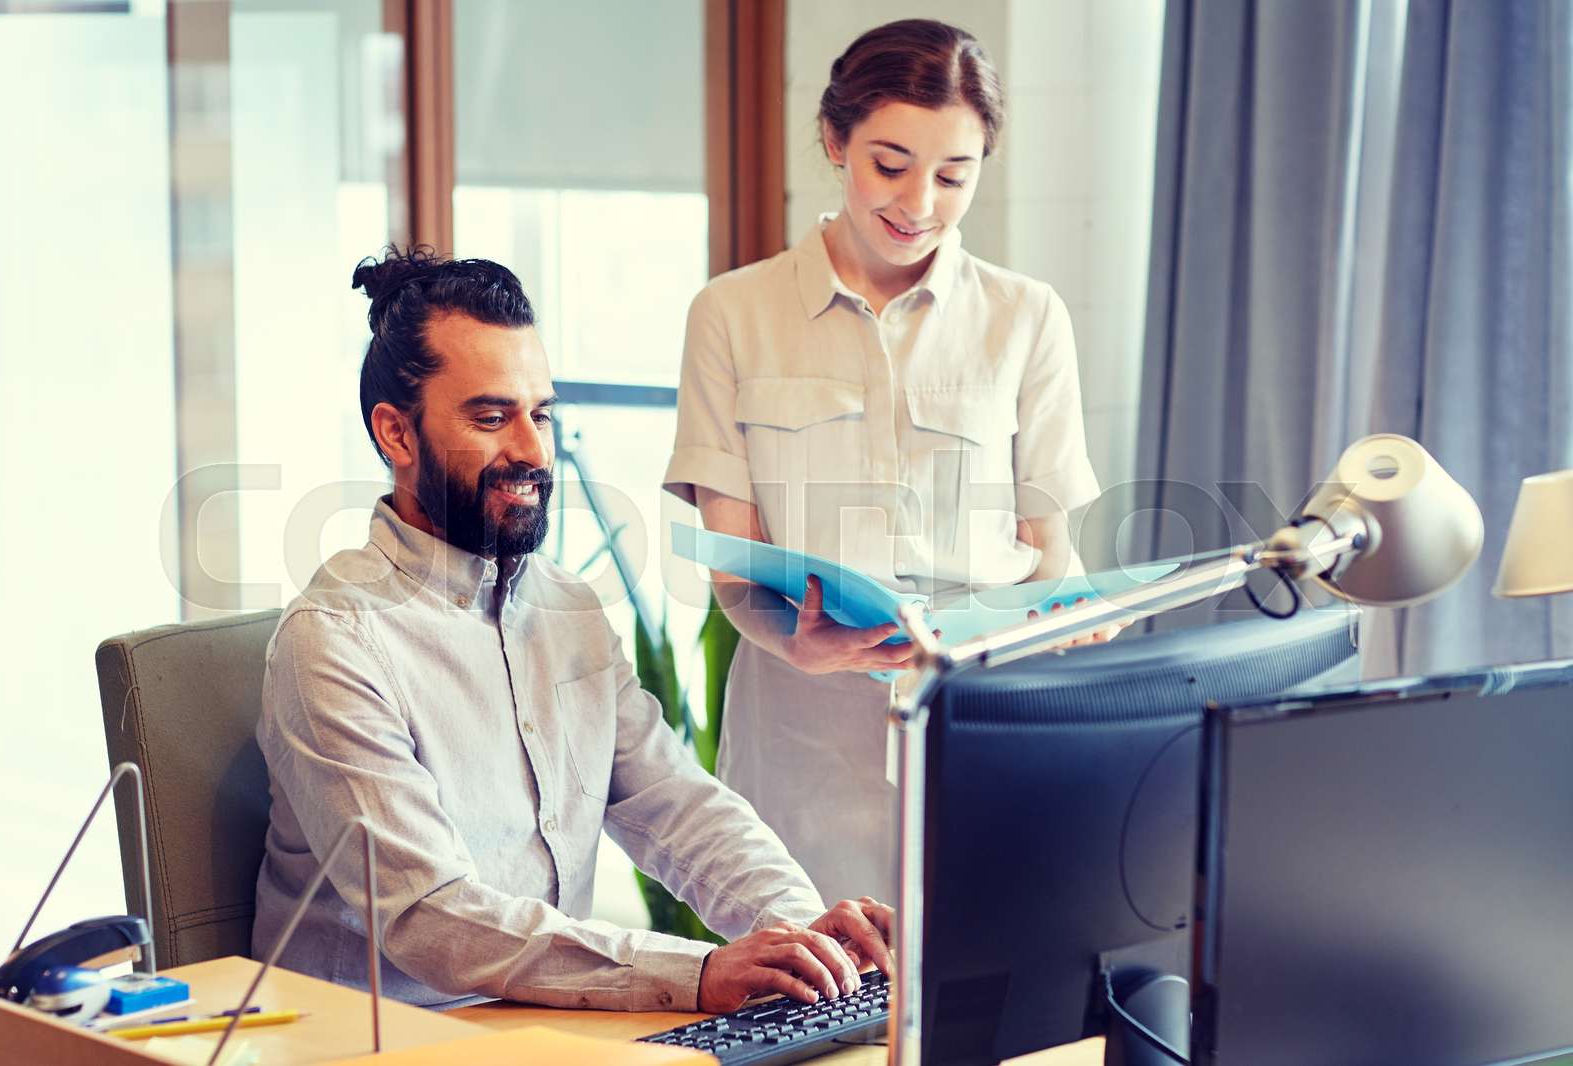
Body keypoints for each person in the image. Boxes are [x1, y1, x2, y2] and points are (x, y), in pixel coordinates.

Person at [252, 248, 893, 1014]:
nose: (531, 450)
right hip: (381, 1040)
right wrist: (695, 975)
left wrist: (799, 927)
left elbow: (674, 802)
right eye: (491, 418)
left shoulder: (567, 610)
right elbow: (430, 915)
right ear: (395, 434)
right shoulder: (334, 642)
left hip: (542, 1030)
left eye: (542, 413)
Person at [664, 19, 1112, 907]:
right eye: (890, 163)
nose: (920, 203)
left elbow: (1049, 547)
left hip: (981, 725)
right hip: (803, 742)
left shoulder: (1027, 317)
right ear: (836, 141)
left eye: (955, 175)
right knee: (813, 1013)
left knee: (985, 1003)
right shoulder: (730, 314)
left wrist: (1073, 613)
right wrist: (798, 640)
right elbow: (734, 565)